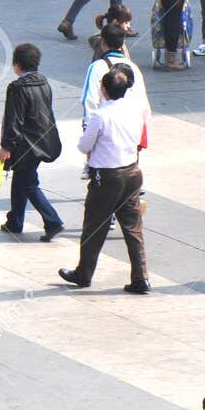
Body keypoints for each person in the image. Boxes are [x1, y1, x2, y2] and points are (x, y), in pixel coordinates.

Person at [61, 65, 150, 293]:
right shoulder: (134, 109)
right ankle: (141, 277)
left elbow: (84, 145)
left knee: (94, 225)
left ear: (104, 90)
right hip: (132, 172)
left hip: (107, 176)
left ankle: (84, 272)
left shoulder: (100, 116)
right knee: (132, 227)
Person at [0, 43, 64, 241]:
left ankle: (52, 221)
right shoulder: (44, 83)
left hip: (25, 144)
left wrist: (6, 146)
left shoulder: (17, 88)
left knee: (28, 183)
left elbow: (14, 120)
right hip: (43, 140)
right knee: (21, 180)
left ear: (17, 65)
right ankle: (15, 221)